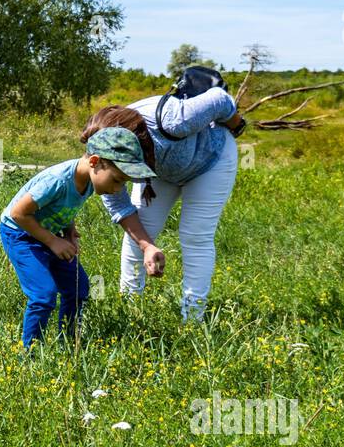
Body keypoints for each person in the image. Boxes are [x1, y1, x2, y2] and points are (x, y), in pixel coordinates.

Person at [85, 84, 245, 321]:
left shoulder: (173, 120)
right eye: (119, 178)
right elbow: (121, 207)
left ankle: (192, 319)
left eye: (123, 177)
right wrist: (147, 245)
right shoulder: (104, 154)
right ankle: (129, 311)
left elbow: (219, 99)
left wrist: (237, 125)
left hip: (211, 160)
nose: (118, 186)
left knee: (195, 236)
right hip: (163, 171)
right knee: (139, 234)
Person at [0, 126, 157, 347]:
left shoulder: (88, 182)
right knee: (44, 294)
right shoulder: (57, 180)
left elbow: (65, 205)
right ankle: (31, 355)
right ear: (95, 162)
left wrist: (68, 231)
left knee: (78, 288)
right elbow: (18, 213)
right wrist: (53, 241)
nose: (118, 188)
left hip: (49, 233)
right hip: (20, 233)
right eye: (117, 180)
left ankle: (68, 340)